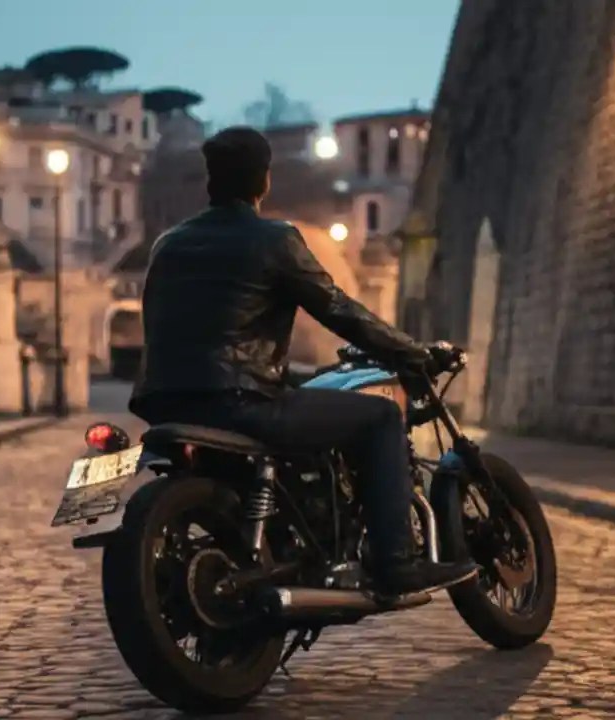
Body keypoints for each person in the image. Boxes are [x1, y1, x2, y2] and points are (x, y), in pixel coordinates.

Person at [129, 126, 478, 595]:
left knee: (306, 401)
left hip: (166, 403)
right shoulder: (273, 239)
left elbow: (200, 334)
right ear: (264, 181)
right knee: (378, 417)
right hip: (239, 403)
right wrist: (413, 354)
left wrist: (288, 375)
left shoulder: (168, 244)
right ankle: (397, 564)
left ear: (210, 181)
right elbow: (340, 310)